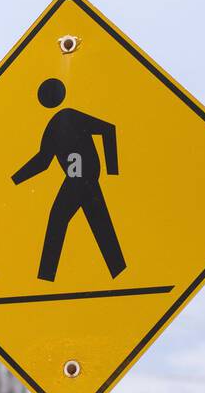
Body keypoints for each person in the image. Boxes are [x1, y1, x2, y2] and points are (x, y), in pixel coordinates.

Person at [12, 78, 126, 282]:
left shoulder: (69, 116)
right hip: (77, 178)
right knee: (98, 222)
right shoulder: (53, 127)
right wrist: (15, 179)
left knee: (59, 219)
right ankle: (119, 271)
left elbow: (108, 130)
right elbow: (43, 161)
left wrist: (113, 171)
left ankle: (46, 277)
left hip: (84, 177)